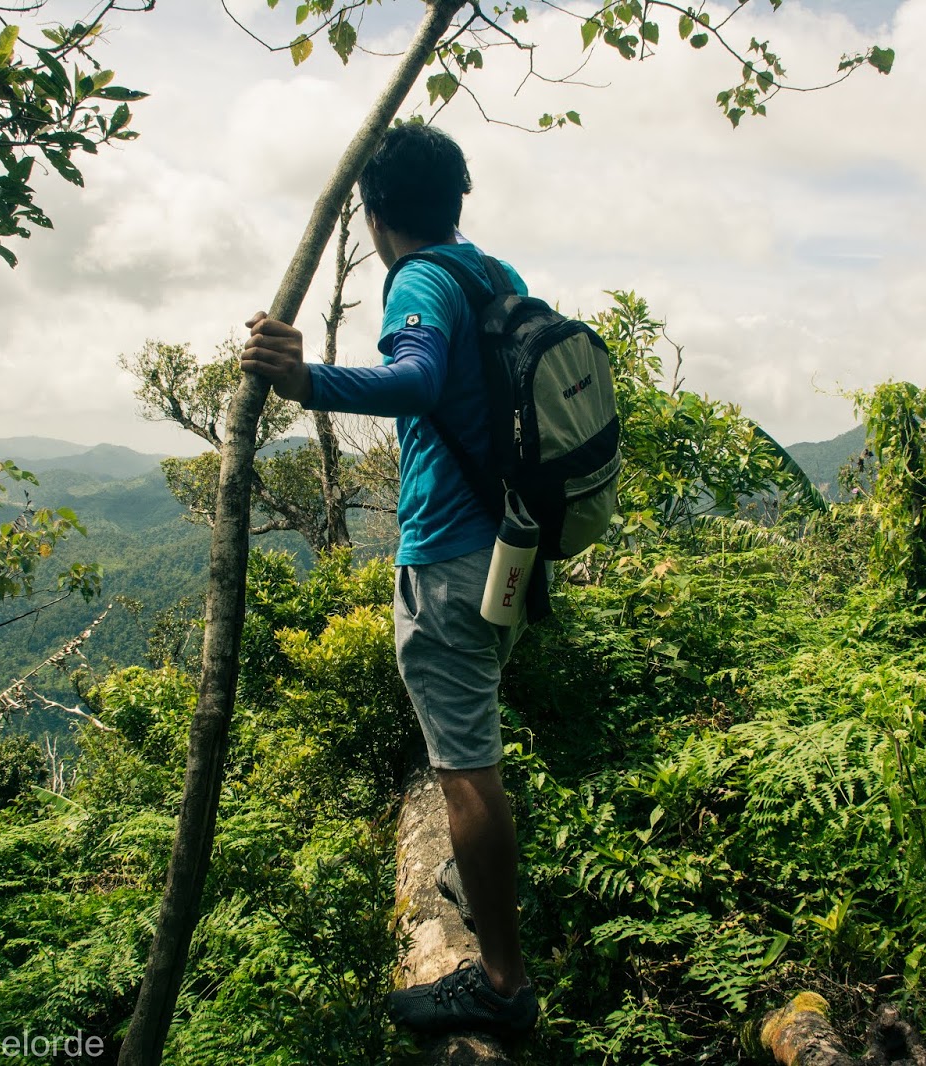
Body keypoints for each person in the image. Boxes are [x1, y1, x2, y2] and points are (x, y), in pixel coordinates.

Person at [239, 122, 538, 1039]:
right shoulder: (495, 274)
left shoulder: (417, 279)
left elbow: (415, 381)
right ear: (456, 199)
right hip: (510, 550)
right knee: (475, 744)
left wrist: (306, 380)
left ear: (372, 216)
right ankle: (483, 898)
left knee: (466, 769)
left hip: (449, 557)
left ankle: (501, 983)